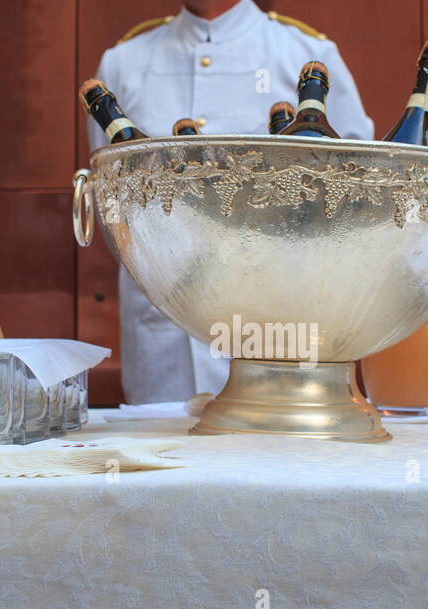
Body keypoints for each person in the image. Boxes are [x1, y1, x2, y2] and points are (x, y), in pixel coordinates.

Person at [87, 0, 374, 404]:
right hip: (164, 338)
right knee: (163, 460)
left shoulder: (306, 54)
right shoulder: (123, 63)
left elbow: (360, 197)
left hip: (281, 327)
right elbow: (112, 206)